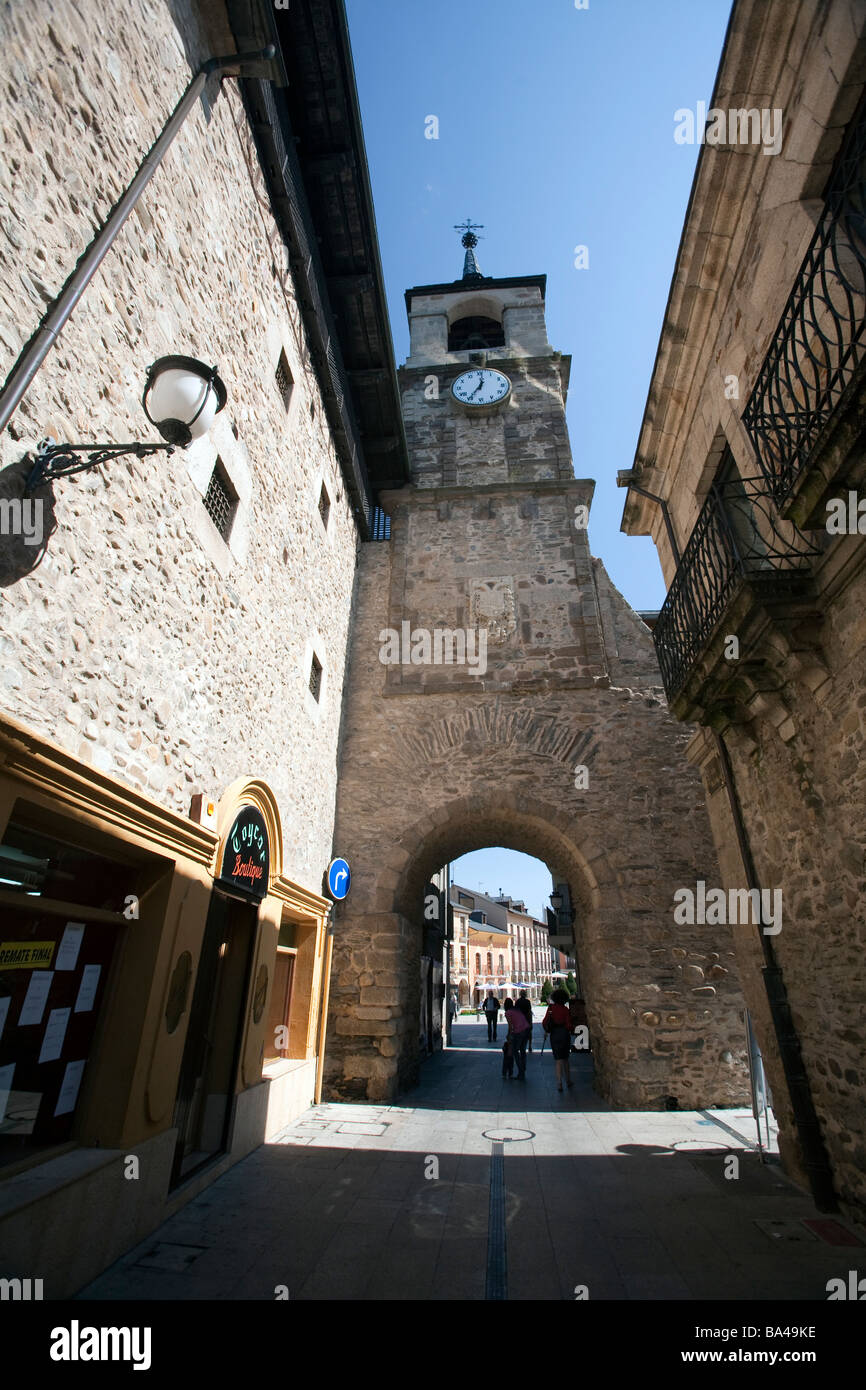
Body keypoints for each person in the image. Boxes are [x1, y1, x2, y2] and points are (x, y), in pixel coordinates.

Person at [543, 988, 574, 1091]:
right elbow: (569, 1025)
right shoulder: (565, 1010)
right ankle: (568, 1080)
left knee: (558, 1060)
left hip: (554, 1034)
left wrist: (548, 1030)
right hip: (564, 1034)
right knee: (565, 1058)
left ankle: (559, 1083)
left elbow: (545, 1022)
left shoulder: (551, 1008)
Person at [505, 996, 531, 1080]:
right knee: (523, 1050)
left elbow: (510, 1026)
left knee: (515, 1051)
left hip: (519, 1032)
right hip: (526, 1029)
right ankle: (523, 1069)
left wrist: (508, 1035)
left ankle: (521, 1071)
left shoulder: (508, 1012)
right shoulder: (517, 1010)